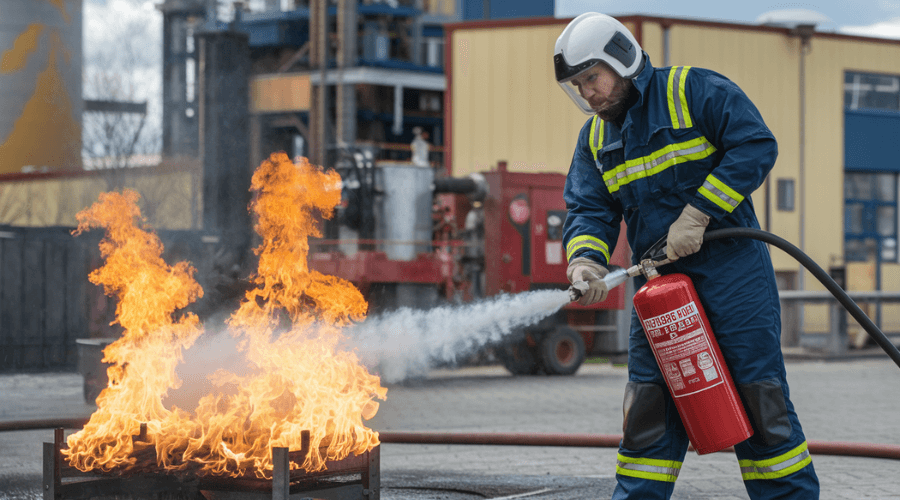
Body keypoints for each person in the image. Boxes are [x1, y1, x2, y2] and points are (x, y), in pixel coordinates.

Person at [554, 12, 819, 500]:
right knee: (649, 407)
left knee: (760, 400)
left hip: (733, 276)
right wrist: (585, 262)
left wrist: (698, 214)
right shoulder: (595, 140)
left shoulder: (692, 92)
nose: (587, 93)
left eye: (591, 77)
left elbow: (755, 143)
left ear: (621, 59)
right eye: (578, 85)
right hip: (659, 290)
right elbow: (589, 209)